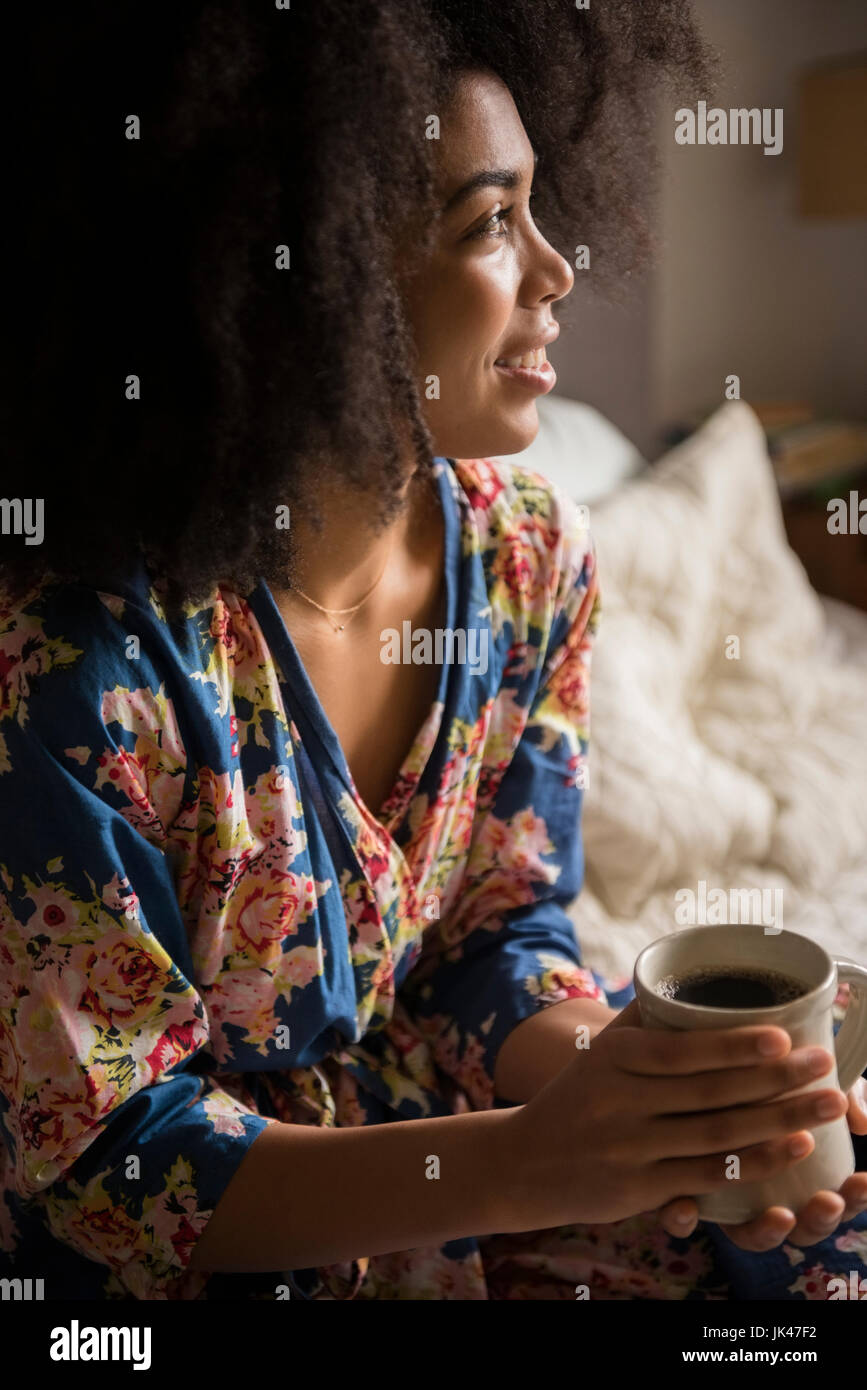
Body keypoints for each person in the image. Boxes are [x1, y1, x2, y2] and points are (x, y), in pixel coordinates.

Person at [2, 0, 866, 1301]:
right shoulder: (79, 669)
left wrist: (652, 1102)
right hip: (201, 1240)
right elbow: (115, 1168)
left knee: (809, 1255)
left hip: (438, 1128)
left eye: (536, 205)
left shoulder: (532, 557)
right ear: (301, 292)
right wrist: (531, 1165)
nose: (556, 265)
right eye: (488, 223)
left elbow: (493, 940)